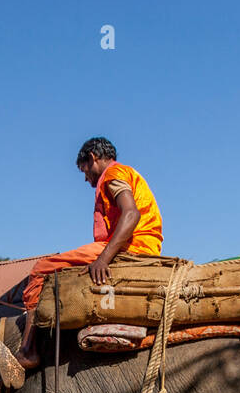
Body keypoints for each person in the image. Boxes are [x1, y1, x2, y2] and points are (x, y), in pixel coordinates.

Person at [15, 137, 164, 368]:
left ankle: (28, 349)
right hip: (146, 245)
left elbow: (131, 214)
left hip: (132, 246)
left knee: (41, 270)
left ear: (93, 158)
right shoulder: (127, 174)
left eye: (84, 170)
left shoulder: (114, 175)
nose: (86, 179)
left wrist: (103, 259)